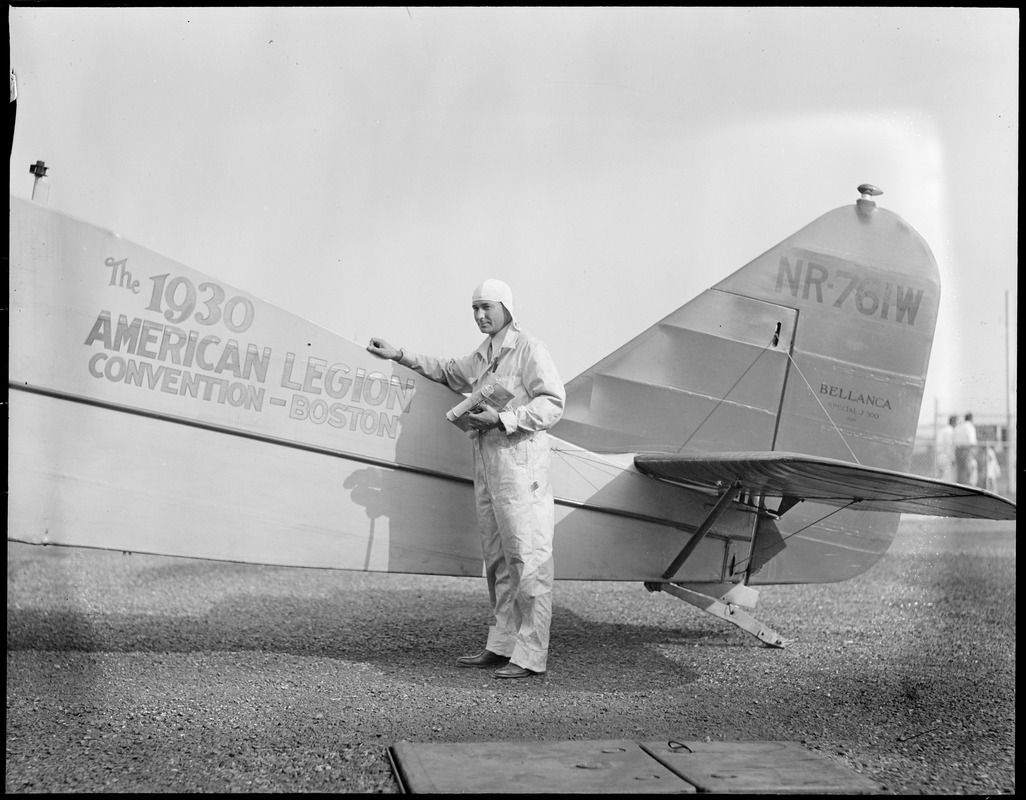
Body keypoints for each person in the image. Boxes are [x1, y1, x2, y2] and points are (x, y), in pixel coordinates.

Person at [367, 279, 565, 679]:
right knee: (497, 561)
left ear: (507, 308)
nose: (479, 315)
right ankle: (501, 644)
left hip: (521, 470)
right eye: (474, 308)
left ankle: (530, 656)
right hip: (490, 468)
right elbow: (448, 371)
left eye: (487, 307)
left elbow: (553, 403)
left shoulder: (529, 348)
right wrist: (400, 355)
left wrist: (504, 418)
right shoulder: (485, 354)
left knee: (527, 559)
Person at [953, 412, 978, 486]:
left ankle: (959, 486)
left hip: (958, 449)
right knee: (969, 470)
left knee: (960, 471)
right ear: (971, 418)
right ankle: (969, 487)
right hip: (967, 450)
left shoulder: (959, 426)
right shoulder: (970, 426)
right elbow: (972, 441)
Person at [936, 415, 957, 482]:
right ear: (953, 422)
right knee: (947, 477)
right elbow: (949, 445)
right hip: (947, 456)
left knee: (940, 476)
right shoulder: (951, 431)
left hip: (939, 455)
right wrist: (952, 457)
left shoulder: (943, 429)